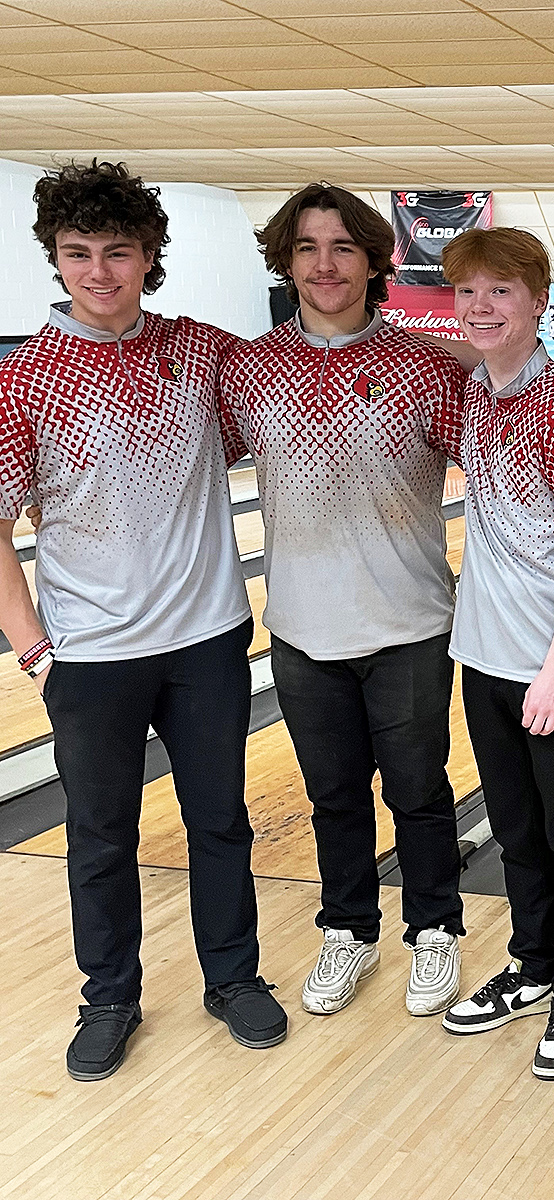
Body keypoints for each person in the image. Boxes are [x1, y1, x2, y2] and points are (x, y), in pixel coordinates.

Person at [0, 161, 285, 1081]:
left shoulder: (201, 353)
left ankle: (233, 978)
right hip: (90, 654)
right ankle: (110, 996)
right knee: (100, 835)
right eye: (77, 253)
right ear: (54, 256)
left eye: (116, 252)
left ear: (150, 256)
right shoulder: (25, 380)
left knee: (220, 822)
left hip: (204, 639)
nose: (97, 271)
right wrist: (34, 648)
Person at [219, 183, 469, 1020]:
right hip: (299, 629)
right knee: (331, 796)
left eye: (342, 248)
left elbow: (506, 471)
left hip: (408, 625)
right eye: (306, 249)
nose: (324, 265)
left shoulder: (427, 368)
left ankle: (434, 929)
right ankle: (349, 930)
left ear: (373, 260)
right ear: (286, 263)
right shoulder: (250, 369)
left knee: (419, 791)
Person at [435, 227, 554, 1082]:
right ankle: (533, 963)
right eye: (467, 292)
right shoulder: (475, 390)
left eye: (500, 292)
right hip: (486, 653)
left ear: (539, 303)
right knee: (514, 827)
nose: (481, 307)